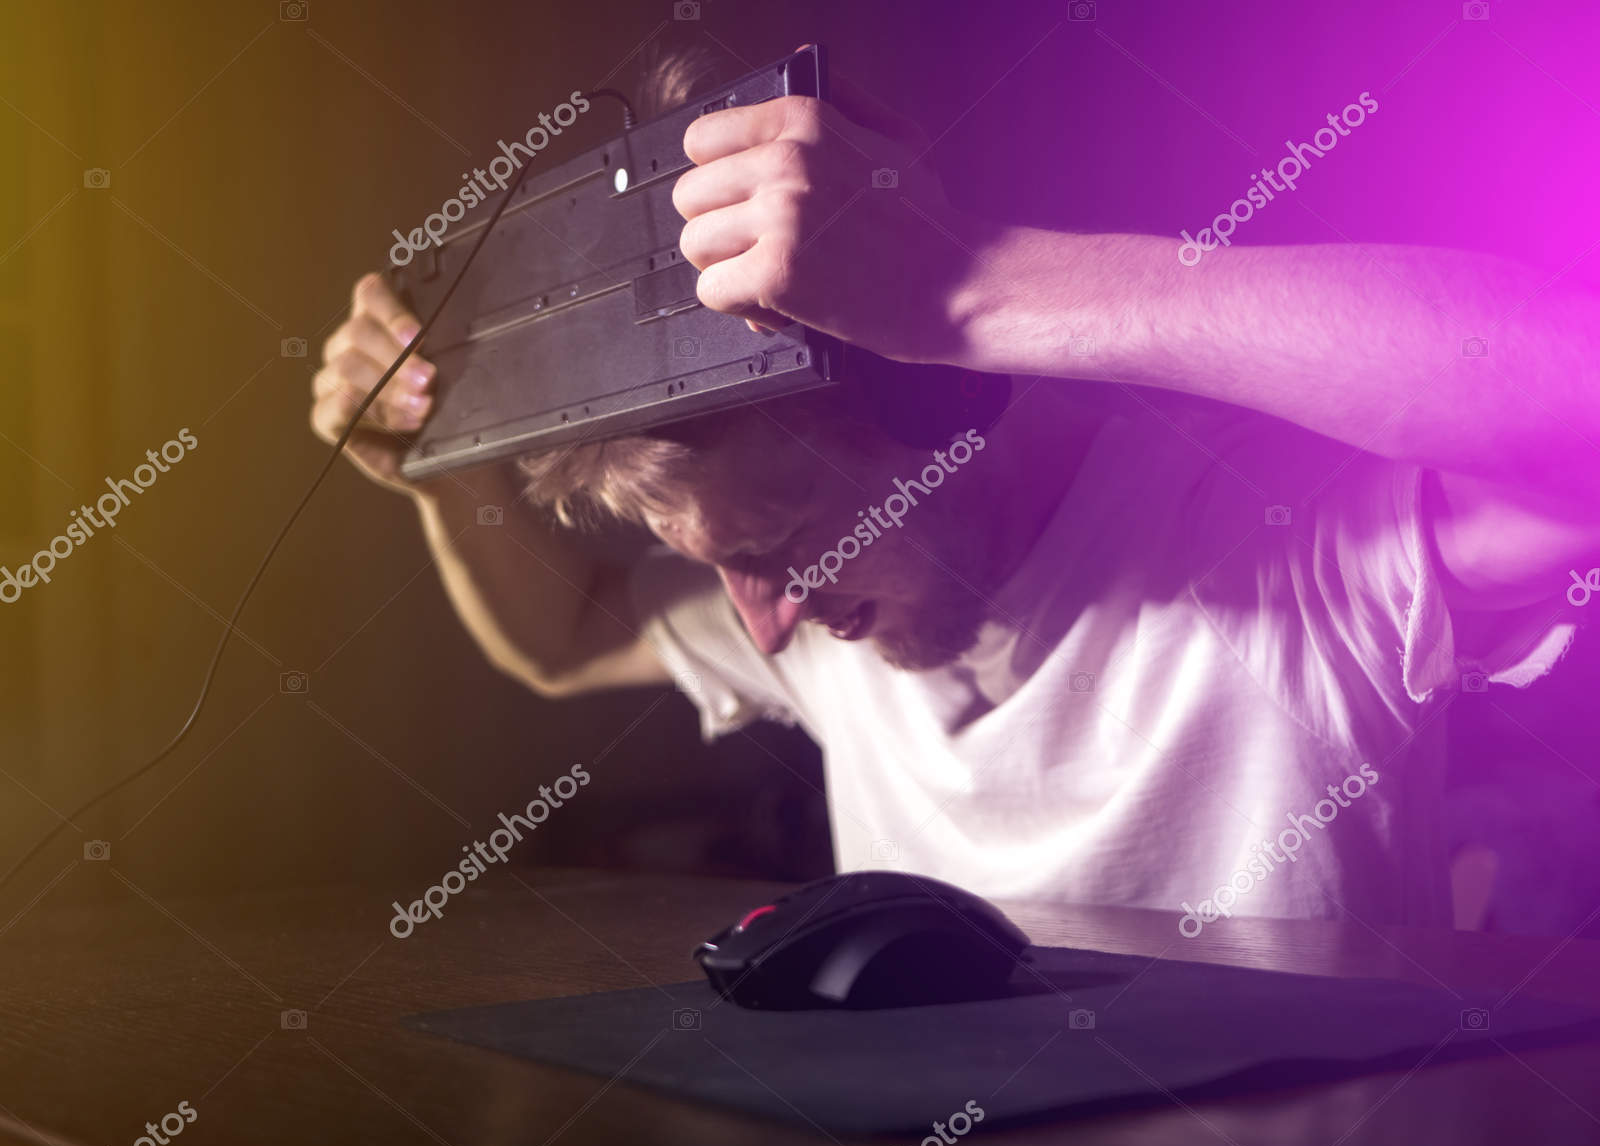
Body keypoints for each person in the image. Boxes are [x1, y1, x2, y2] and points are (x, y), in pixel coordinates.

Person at [308, 48, 1595, 929]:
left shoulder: (1272, 550)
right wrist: (428, 471)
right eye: (725, 566)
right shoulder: (816, 617)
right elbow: (563, 637)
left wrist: (964, 285)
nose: (766, 624)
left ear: (943, 407)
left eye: (787, 544)